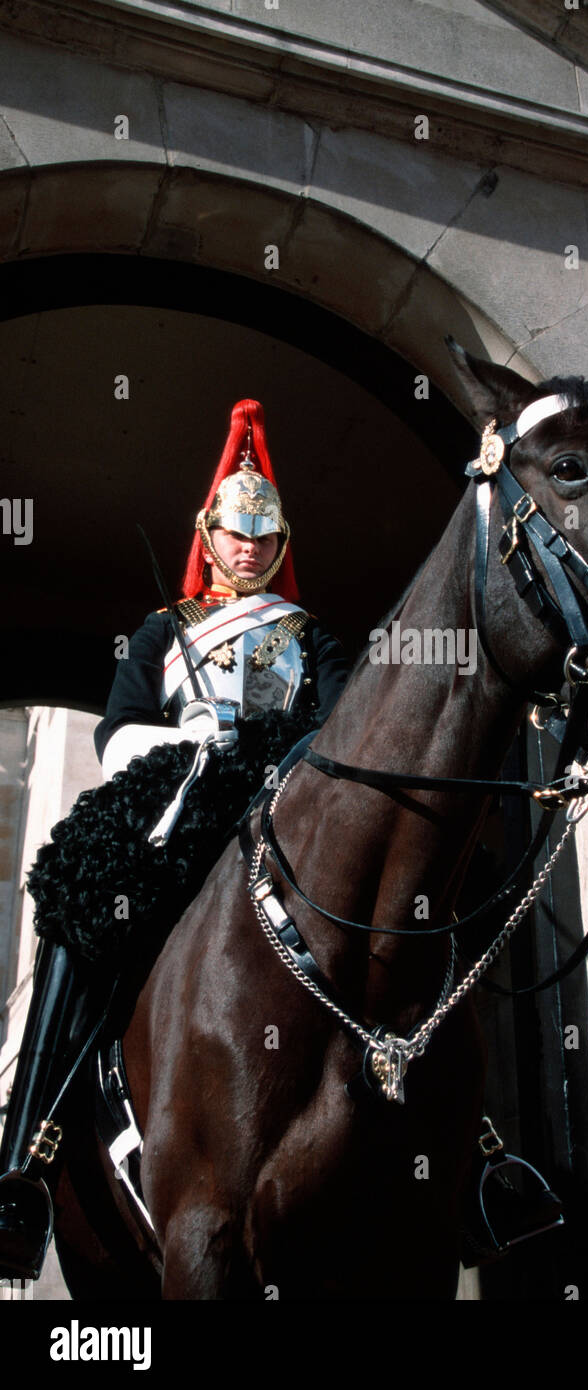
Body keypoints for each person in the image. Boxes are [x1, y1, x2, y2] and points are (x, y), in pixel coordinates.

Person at [0, 399, 348, 1280]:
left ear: (280, 543)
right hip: (178, 794)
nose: (248, 550)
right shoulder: (165, 630)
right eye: (236, 535)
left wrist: (280, 753)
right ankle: (26, 1159)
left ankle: (482, 1157)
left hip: (283, 796)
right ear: (211, 532)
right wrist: (196, 740)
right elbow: (117, 737)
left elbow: (345, 739)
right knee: (79, 905)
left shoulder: (316, 640)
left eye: (264, 538)